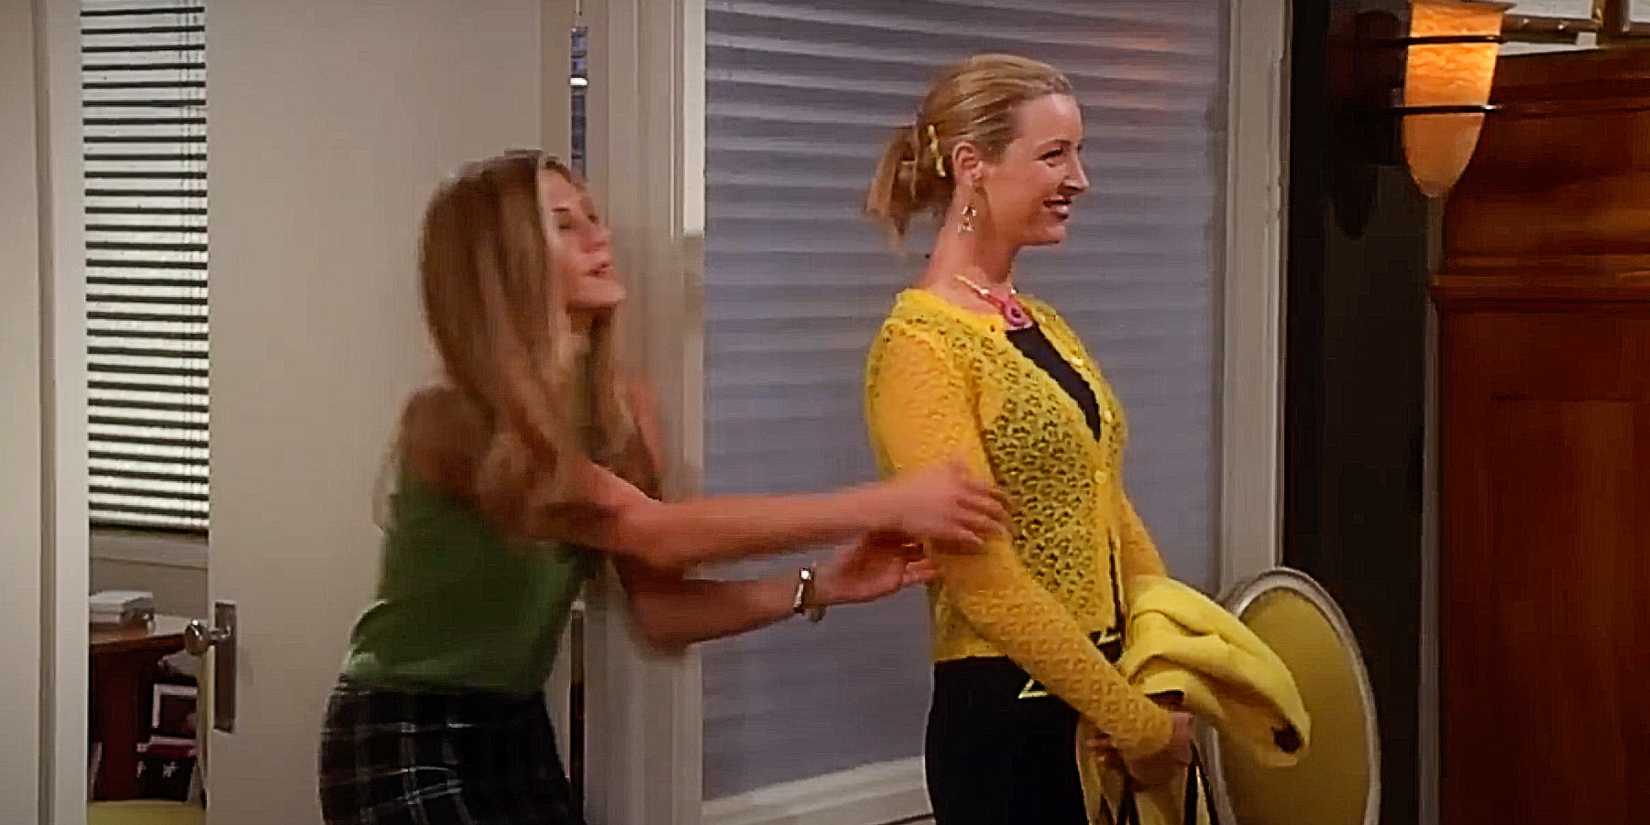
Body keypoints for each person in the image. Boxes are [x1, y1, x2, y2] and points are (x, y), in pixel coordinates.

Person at [317, 150, 1008, 825]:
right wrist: (888, 501)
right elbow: (657, 533)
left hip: (517, 726)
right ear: (501, 263)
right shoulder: (453, 418)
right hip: (407, 727)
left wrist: (822, 585)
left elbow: (662, 612)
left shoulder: (618, 413)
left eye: (593, 216)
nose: (600, 236)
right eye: (564, 224)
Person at [862, 54, 1195, 825]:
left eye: (1078, 153)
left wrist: (1164, 668)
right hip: (1009, 724)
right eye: (1054, 155)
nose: (1080, 179)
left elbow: (1109, 506)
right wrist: (1138, 722)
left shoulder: (1043, 324)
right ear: (972, 166)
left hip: (1103, 703)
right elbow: (984, 580)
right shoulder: (920, 345)